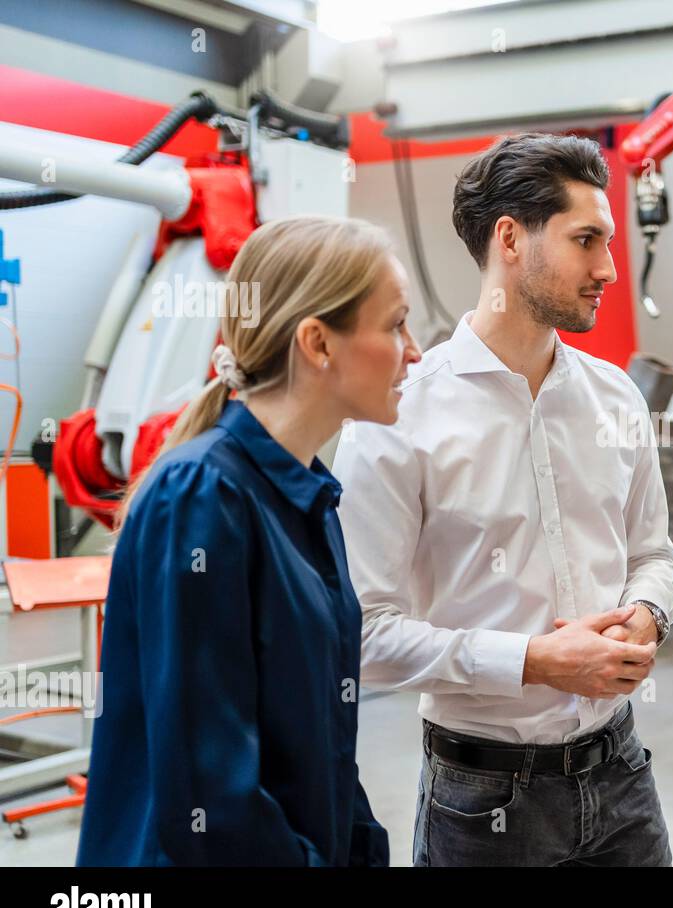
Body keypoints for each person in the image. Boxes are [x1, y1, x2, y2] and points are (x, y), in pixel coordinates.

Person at [334, 132, 673, 867]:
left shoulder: (613, 395)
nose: (609, 269)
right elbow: (362, 638)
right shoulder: (401, 414)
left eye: (609, 242)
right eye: (586, 240)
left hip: (621, 777)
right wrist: (533, 661)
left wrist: (645, 617)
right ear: (510, 239)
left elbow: (653, 553)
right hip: (484, 800)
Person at [77, 216, 421, 865]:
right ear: (318, 343)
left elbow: (324, 741)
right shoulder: (203, 497)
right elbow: (211, 797)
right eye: (395, 324)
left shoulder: (311, 499)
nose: (415, 349)